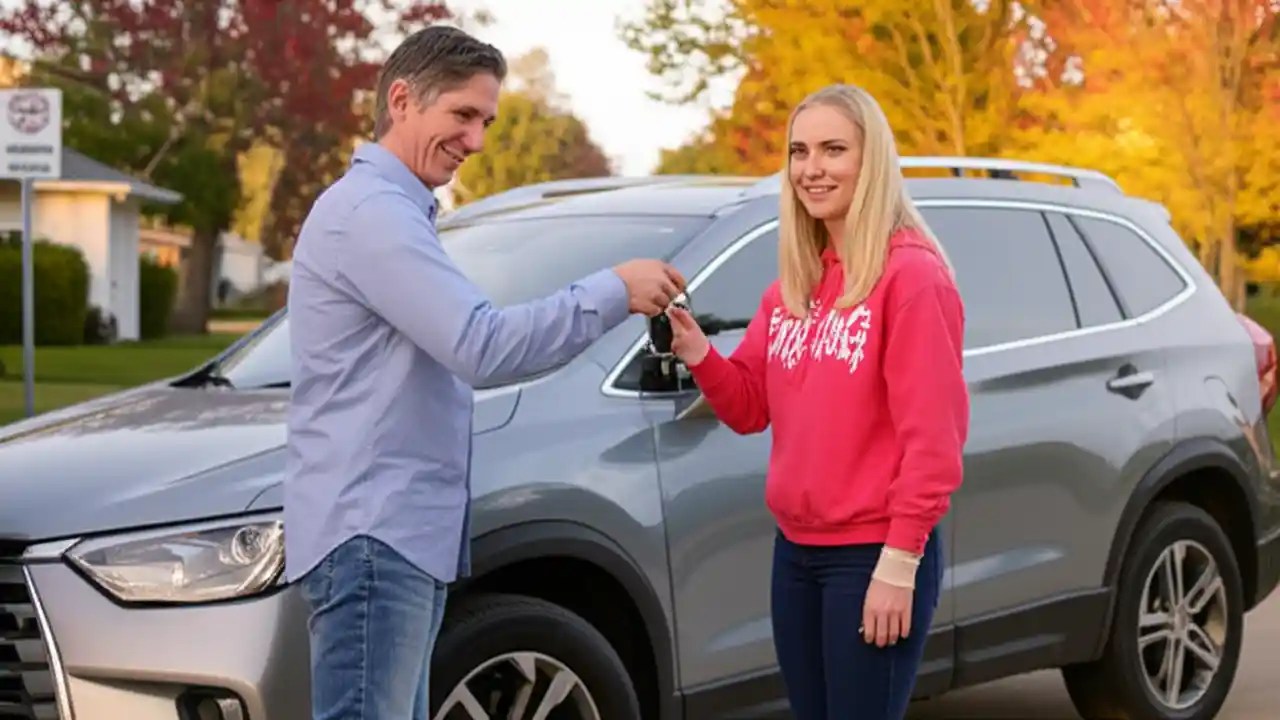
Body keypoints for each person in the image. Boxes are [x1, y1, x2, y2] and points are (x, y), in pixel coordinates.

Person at [282, 25, 686, 720]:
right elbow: (480, 343)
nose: (476, 140)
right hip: (375, 536)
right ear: (402, 100)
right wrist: (615, 289)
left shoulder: (390, 213)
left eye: (486, 121)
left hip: (391, 535)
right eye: (463, 116)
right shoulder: (374, 215)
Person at [666, 83, 969, 719]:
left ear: (872, 161)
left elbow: (933, 443)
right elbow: (749, 407)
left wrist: (900, 562)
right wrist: (695, 349)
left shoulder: (911, 277)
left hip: (874, 553)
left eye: (834, 149)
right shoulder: (793, 288)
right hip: (796, 552)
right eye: (800, 151)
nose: (812, 168)